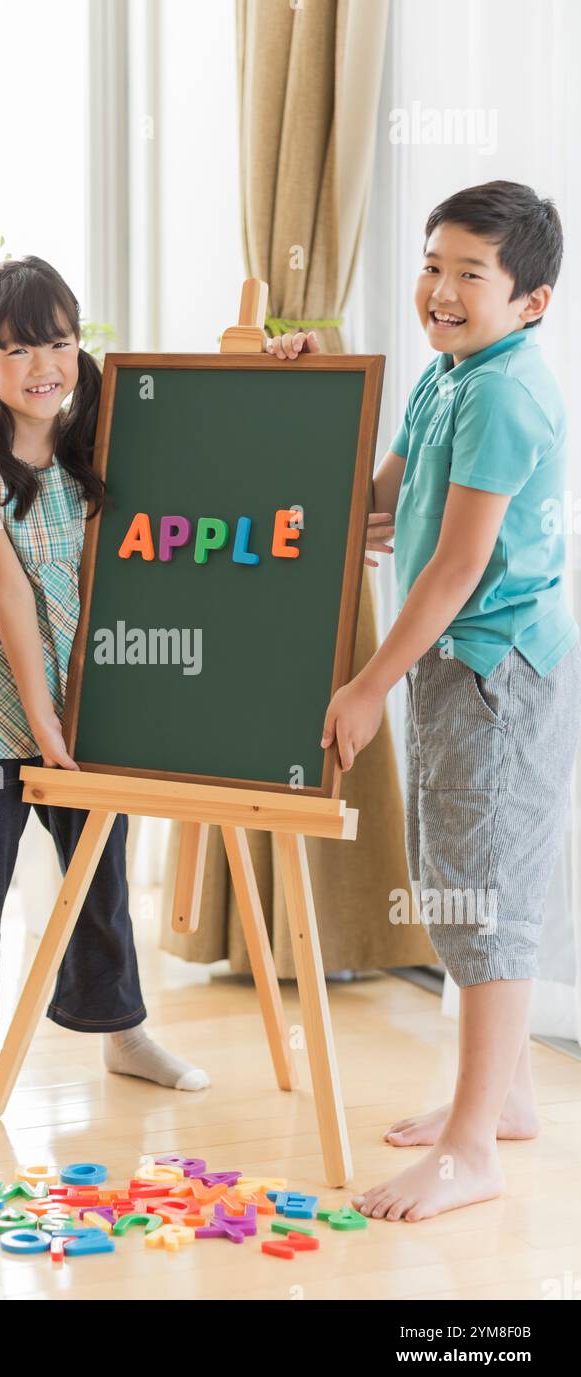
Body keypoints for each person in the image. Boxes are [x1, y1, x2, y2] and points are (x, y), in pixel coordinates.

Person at [267, 180, 581, 1220]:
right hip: (454, 664)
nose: (438, 290)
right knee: (454, 878)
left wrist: (365, 682)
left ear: (529, 301)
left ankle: (466, 1147)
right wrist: (314, 394)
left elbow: (450, 566)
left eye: (468, 274)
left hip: (497, 672)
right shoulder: (450, 375)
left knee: (480, 896)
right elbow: (383, 499)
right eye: (430, 263)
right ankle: (506, 1098)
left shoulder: (502, 392)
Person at [0, 255, 209, 1117]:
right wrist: (41, 721)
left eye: (59, 344)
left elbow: (205, 450)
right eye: (19, 351)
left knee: (98, 870)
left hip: (75, 698)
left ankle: (123, 1035)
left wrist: (283, 357)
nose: (44, 367)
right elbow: (7, 587)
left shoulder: (96, 439)